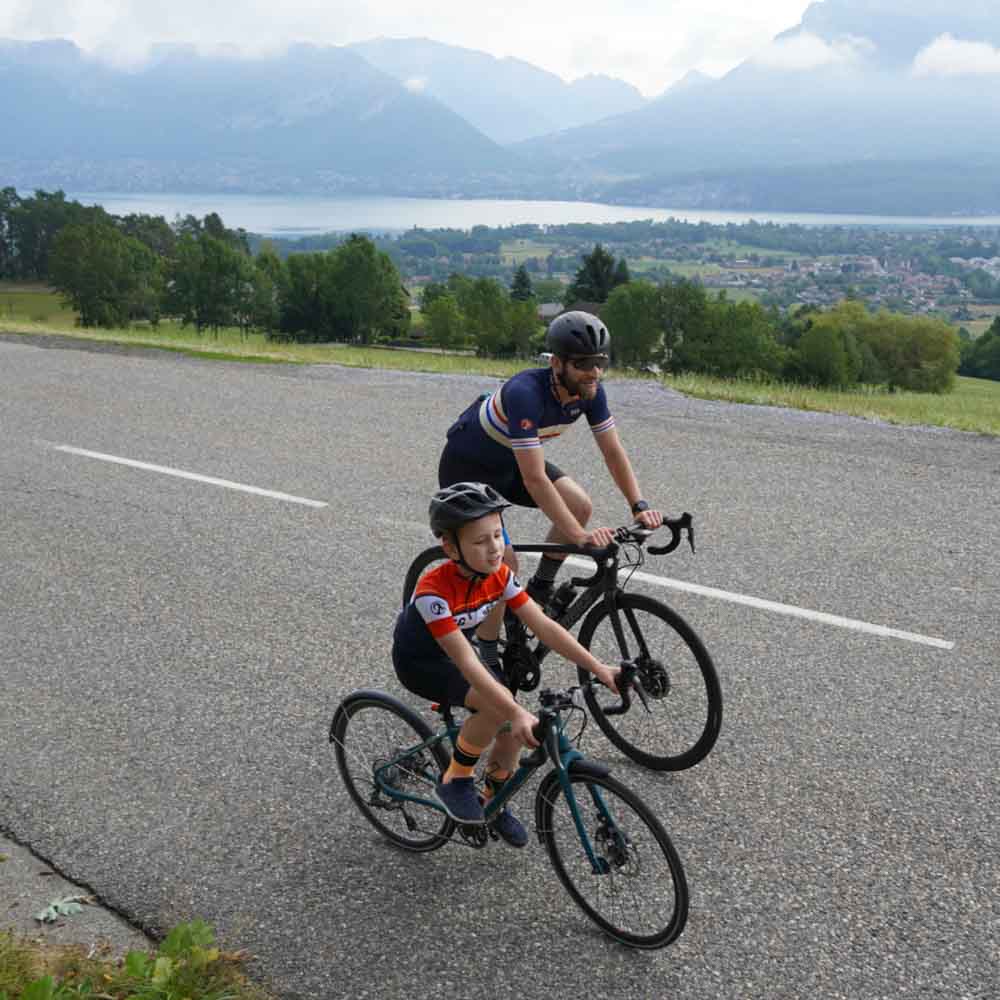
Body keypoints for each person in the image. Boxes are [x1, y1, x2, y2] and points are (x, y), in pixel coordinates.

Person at [392, 482, 620, 846]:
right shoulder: (432, 594)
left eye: (498, 535)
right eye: (481, 541)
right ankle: (456, 779)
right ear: (450, 548)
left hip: (457, 654)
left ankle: (492, 803)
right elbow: (467, 663)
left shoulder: (498, 576)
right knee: (498, 708)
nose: (495, 547)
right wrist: (513, 710)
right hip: (422, 664)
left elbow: (544, 627)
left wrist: (599, 668)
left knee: (512, 728)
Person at [437, 310, 663, 607]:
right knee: (504, 566)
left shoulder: (591, 392)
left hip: (510, 463)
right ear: (556, 363)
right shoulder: (525, 393)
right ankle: (481, 635)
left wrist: (639, 506)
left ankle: (540, 588)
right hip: (467, 470)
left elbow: (612, 452)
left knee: (579, 505)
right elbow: (534, 478)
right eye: (583, 363)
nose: (594, 372)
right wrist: (579, 536)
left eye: (600, 362)